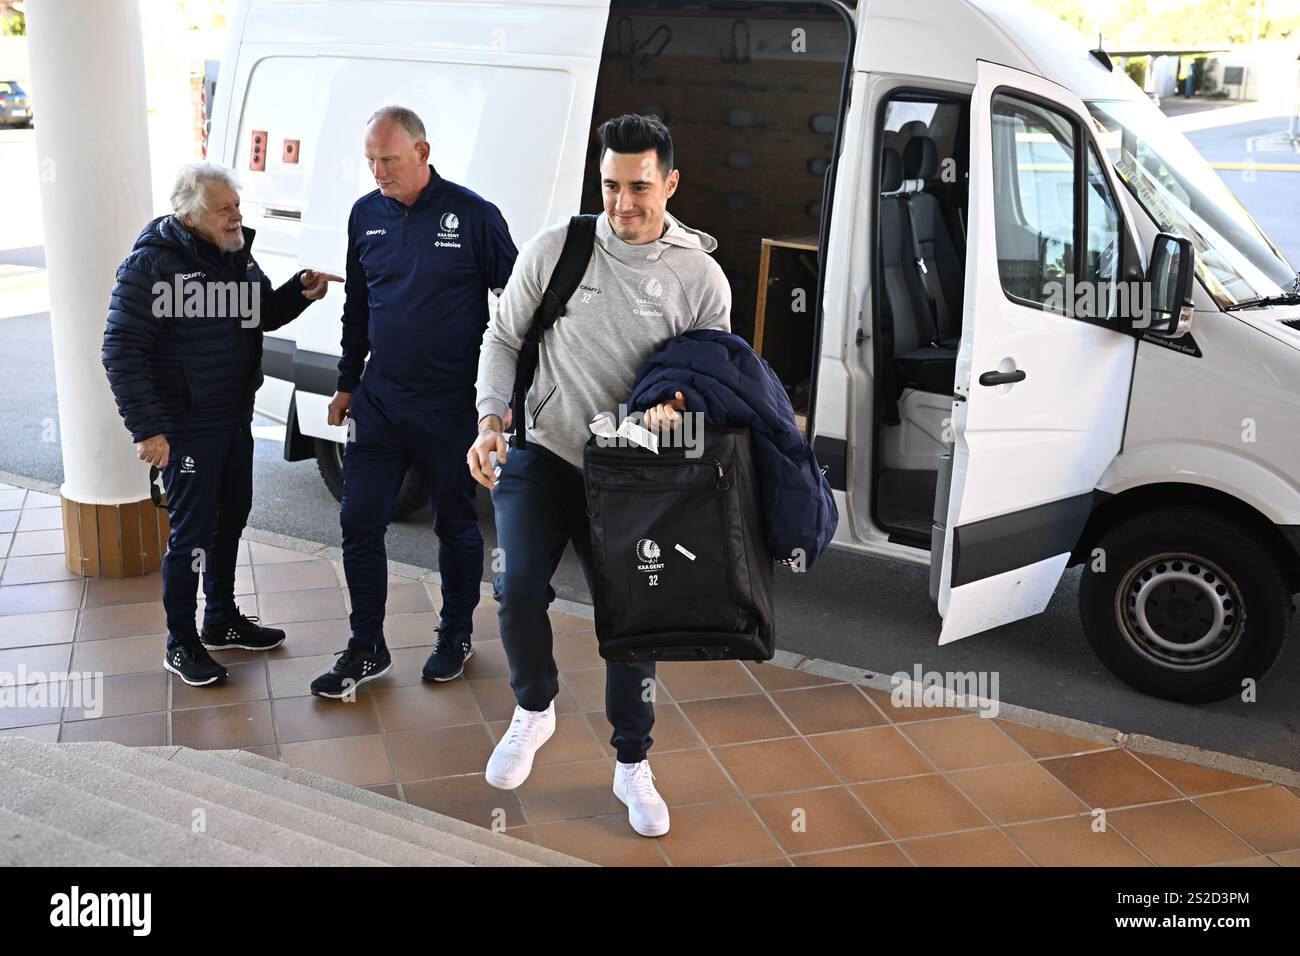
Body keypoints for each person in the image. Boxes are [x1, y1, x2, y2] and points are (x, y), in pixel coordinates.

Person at [468, 114, 731, 837]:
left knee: (630, 623)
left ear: (670, 183)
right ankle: (535, 706)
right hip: (544, 452)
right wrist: (492, 420)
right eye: (611, 185)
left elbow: (709, 384)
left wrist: (675, 413)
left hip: (635, 478)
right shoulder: (559, 248)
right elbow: (503, 335)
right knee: (517, 586)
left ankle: (632, 760)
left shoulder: (701, 278)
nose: (623, 203)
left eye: (639, 187)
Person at [103, 162, 340, 686]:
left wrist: (299, 292)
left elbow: (258, 313)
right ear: (190, 217)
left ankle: (221, 619)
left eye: (237, 204)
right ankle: (180, 643)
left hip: (233, 417)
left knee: (231, 517)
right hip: (185, 425)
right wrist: (146, 431)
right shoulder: (152, 267)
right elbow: (120, 349)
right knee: (190, 536)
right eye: (224, 208)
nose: (236, 215)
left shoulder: (234, 254)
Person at [310, 106, 518, 699]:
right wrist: (348, 382)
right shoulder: (365, 216)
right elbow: (358, 308)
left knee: (454, 524)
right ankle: (366, 646)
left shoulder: (474, 216)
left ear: (423, 153)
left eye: (389, 160)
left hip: (452, 407)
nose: (378, 172)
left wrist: (503, 401)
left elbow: (520, 304)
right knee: (358, 521)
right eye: (371, 160)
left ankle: (455, 634)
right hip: (382, 402)